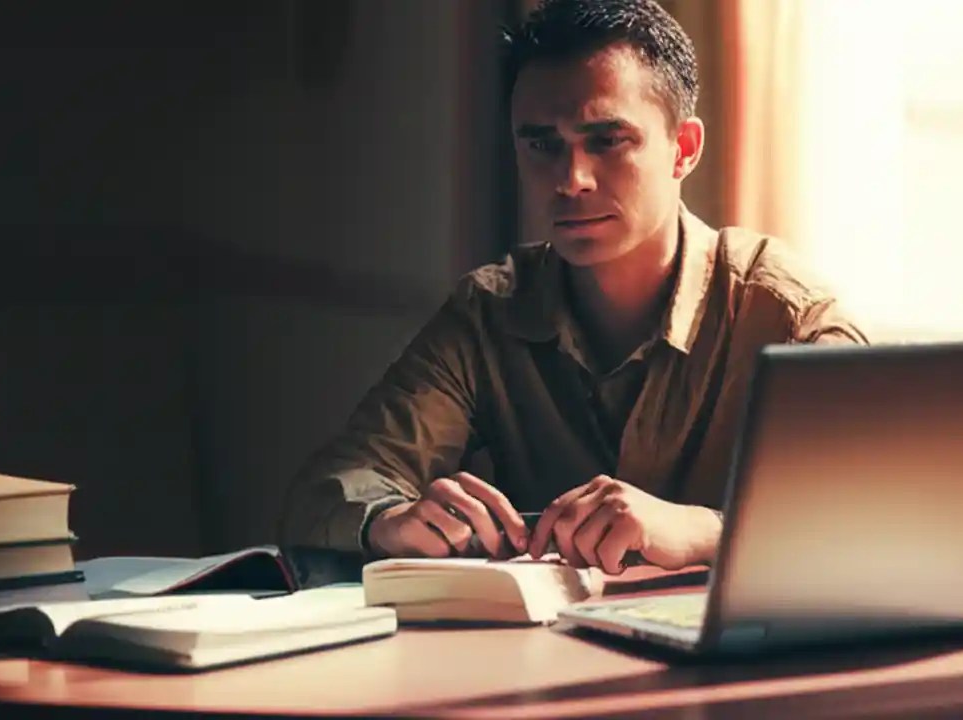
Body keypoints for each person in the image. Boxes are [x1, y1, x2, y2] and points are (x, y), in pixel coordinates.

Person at [280, 0, 867, 575]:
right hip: (541, 659)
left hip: (745, 664)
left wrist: (702, 530)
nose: (571, 179)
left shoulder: (786, 315)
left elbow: (880, 513)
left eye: (608, 140)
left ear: (683, 149)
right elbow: (332, 485)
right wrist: (390, 518)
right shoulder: (488, 312)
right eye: (542, 145)